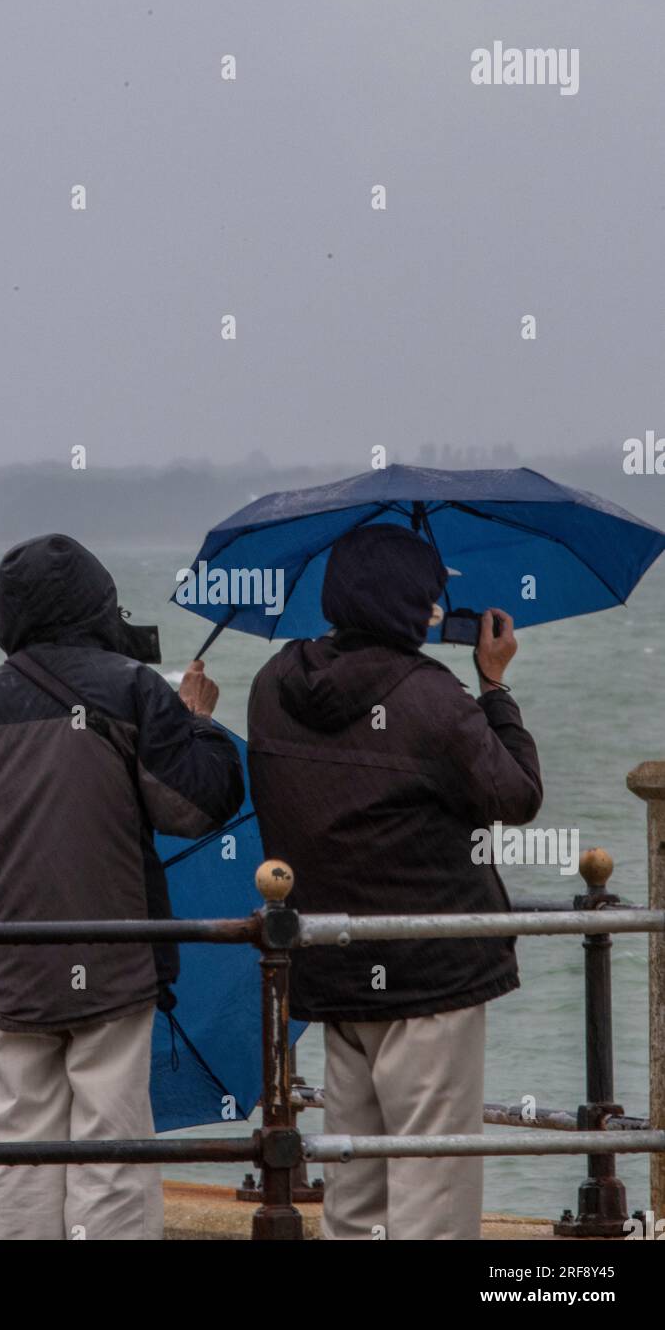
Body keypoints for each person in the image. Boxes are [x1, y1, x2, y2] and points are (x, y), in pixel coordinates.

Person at [0, 533, 244, 1241]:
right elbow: (195, 806)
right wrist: (196, 724)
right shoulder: (131, 688)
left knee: (21, 1151)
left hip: (7, 957)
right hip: (112, 955)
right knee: (110, 1147)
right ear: (94, 604)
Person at [247, 524, 542, 1240]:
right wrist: (494, 688)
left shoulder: (272, 684)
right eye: (432, 599)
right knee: (431, 1194)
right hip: (430, 970)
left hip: (332, 967)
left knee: (353, 1186)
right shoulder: (431, 695)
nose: (437, 612)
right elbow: (515, 796)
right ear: (411, 605)